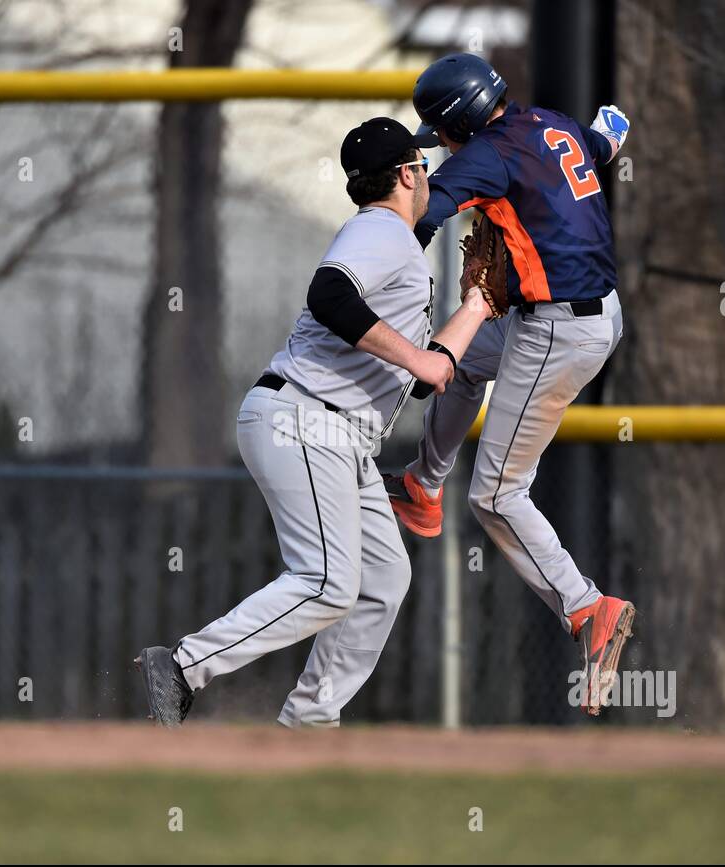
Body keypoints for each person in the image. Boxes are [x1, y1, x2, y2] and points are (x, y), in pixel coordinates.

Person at [135, 117, 493, 727]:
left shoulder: (392, 240)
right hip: (306, 419)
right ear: (407, 174)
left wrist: (479, 306)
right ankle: (184, 666)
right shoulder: (382, 230)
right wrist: (417, 359)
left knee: (381, 580)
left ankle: (307, 724)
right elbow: (330, 296)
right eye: (422, 166)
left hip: (332, 431)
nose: (429, 175)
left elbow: (435, 368)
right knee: (328, 581)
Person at [383, 53, 636, 715]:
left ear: (461, 120)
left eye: (440, 131)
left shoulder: (489, 153)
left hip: (557, 331)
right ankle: (422, 487)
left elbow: (423, 213)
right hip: (579, 314)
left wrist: (386, 220)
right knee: (465, 363)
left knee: (496, 494)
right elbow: (605, 139)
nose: (439, 142)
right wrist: (613, 126)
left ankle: (586, 607)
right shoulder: (550, 124)